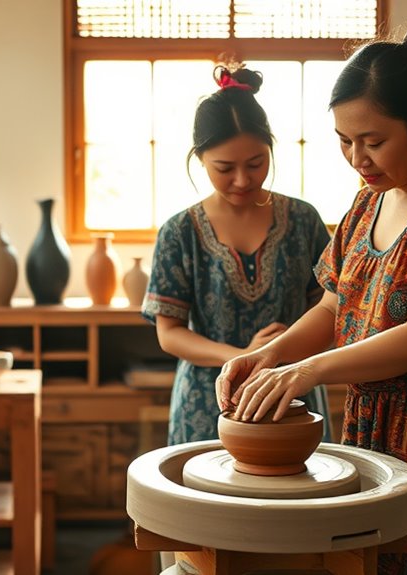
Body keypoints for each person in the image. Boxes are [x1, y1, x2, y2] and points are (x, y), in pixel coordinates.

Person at [215, 23, 407, 574]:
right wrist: (270, 356)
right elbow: (334, 307)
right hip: (367, 426)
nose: (357, 158)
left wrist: (304, 374)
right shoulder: (366, 203)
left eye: (373, 142)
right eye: (344, 141)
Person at [142, 63, 332, 446]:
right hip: (206, 403)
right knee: (205, 500)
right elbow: (170, 334)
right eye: (224, 168)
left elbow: (329, 311)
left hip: (292, 398)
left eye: (256, 163)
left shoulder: (304, 220)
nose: (243, 180)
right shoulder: (180, 233)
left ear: (270, 150)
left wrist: (283, 349)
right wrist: (242, 355)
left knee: (296, 499)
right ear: (199, 159)